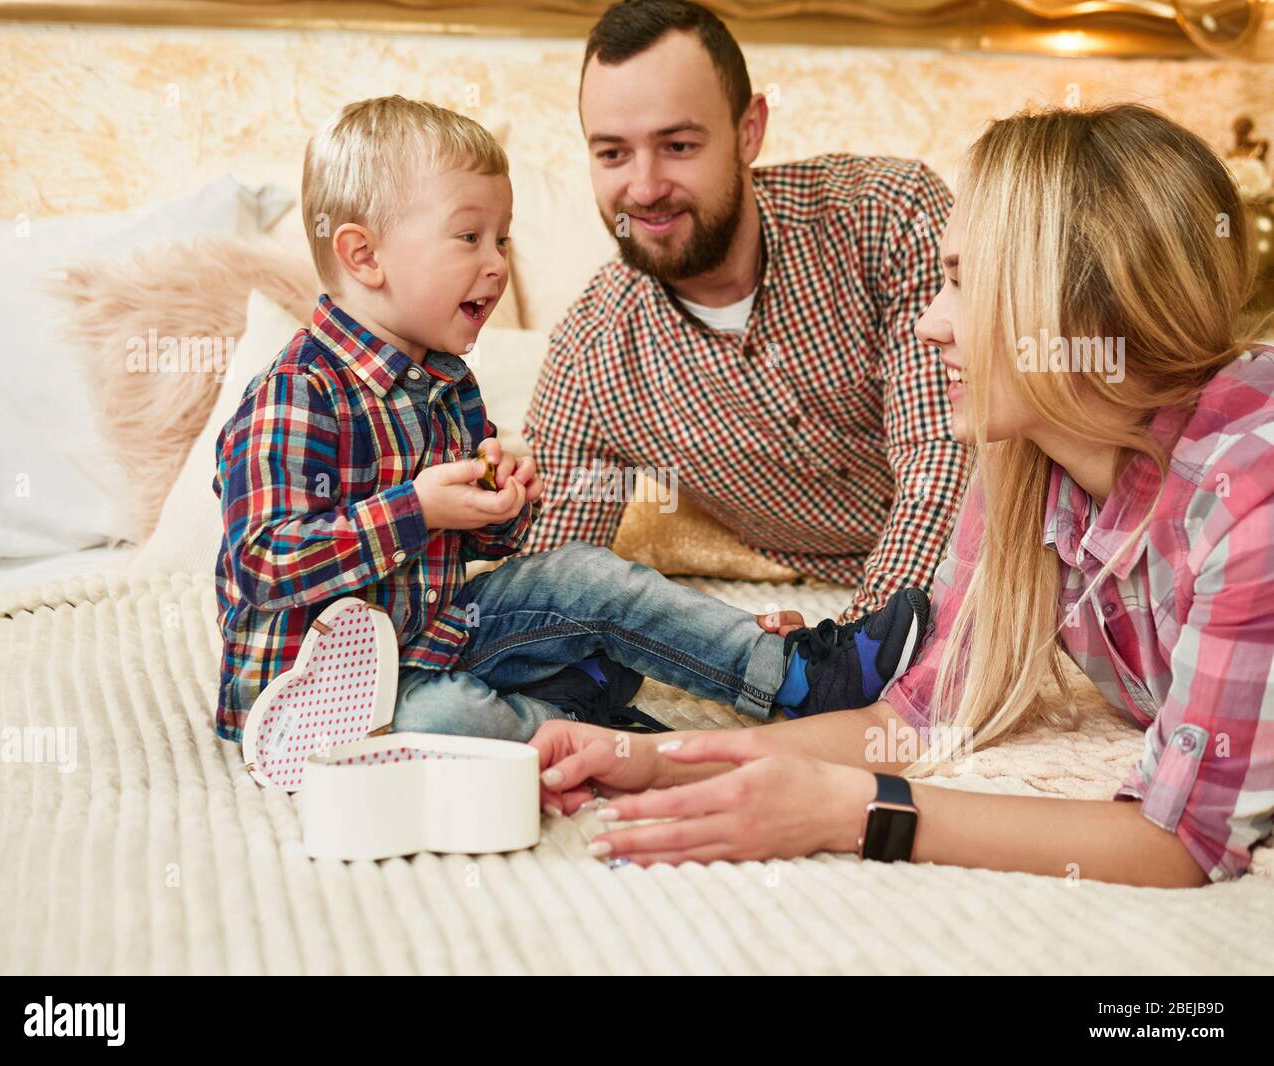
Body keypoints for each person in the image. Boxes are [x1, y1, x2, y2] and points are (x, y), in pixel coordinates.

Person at [534, 102, 1274, 889]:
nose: (930, 324)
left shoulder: (1246, 493)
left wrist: (851, 812)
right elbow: (914, 718)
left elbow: (1184, 841)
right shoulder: (1025, 460)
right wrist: (651, 761)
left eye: (961, 282)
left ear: (1080, 301)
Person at [211, 95, 931, 747]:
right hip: (322, 696)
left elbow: (464, 552)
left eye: (505, 240)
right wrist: (417, 508)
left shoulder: (446, 385)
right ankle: (584, 723)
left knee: (583, 575)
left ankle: (798, 673)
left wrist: (501, 510)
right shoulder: (298, 394)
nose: (495, 264)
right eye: (469, 238)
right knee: (445, 722)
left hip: (435, 636)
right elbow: (263, 564)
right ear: (364, 255)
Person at [521, 0, 970, 621]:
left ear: (750, 130)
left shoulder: (887, 215)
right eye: (613, 154)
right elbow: (553, 581)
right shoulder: (591, 353)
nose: (645, 189)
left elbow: (942, 452)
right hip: (825, 573)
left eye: (677, 144)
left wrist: (857, 645)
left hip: (1024, 553)